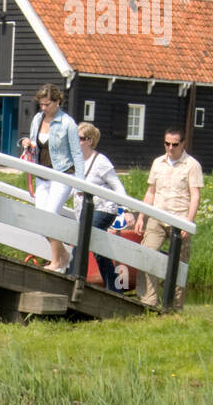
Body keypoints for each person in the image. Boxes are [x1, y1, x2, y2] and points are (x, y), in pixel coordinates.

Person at [134, 127, 202, 311]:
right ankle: (149, 300)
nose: (170, 148)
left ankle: (175, 307)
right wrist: (141, 216)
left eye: (174, 144)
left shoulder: (192, 165)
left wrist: (188, 222)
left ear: (182, 144)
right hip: (157, 216)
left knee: (179, 262)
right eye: (167, 143)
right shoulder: (158, 162)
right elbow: (151, 192)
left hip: (179, 218)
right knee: (147, 253)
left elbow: (195, 196)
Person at [26, 83, 83, 272]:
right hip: (42, 174)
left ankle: (57, 261)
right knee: (41, 220)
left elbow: (77, 154)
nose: (43, 108)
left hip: (62, 175)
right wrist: (26, 143)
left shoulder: (68, 123)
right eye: (41, 104)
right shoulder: (37, 119)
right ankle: (64, 255)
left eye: (47, 104)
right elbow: (33, 141)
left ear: (58, 101)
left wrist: (80, 185)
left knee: (50, 216)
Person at [68, 123, 129, 290]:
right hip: (83, 209)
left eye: (79, 138)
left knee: (83, 235)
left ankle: (72, 276)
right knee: (98, 249)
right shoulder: (76, 161)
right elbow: (72, 188)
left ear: (90, 140)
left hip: (103, 208)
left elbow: (117, 186)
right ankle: (114, 288)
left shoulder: (100, 161)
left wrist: (126, 209)